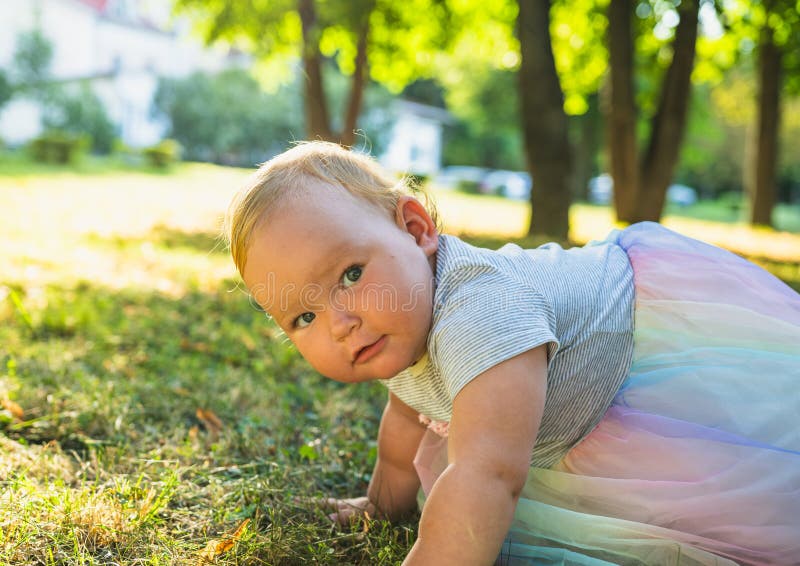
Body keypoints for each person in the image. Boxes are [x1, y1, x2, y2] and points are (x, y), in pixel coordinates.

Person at [225, 141, 800, 566]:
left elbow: (489, 472)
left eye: (351, 274)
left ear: (415, 228)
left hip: (636, 358)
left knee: (739, 490)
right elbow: (403, 431)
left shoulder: (480, 313)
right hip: (557, 407)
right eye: (304, 316)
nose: (341, 323)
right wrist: (382, 505)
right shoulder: (391, 321)